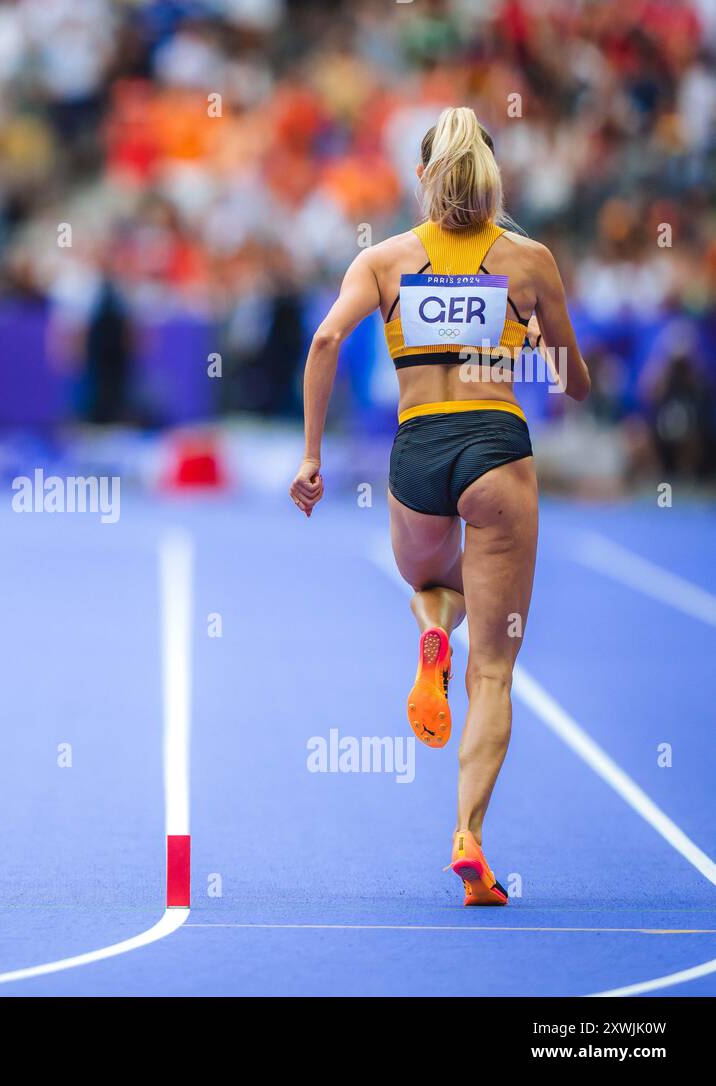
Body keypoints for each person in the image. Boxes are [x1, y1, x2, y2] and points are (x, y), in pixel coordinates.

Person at [288, 107, 591, 906]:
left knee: (434, 582)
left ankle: (430, 634)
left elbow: (323, 344)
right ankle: (469, 839)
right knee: (492, 672)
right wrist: (550, 355)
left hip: (417, 452)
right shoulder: (528, 260)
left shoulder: (385, 260)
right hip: (497, 450)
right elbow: (573, 379)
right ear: (494, 179)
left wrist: (313, 456)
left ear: (421, 178)